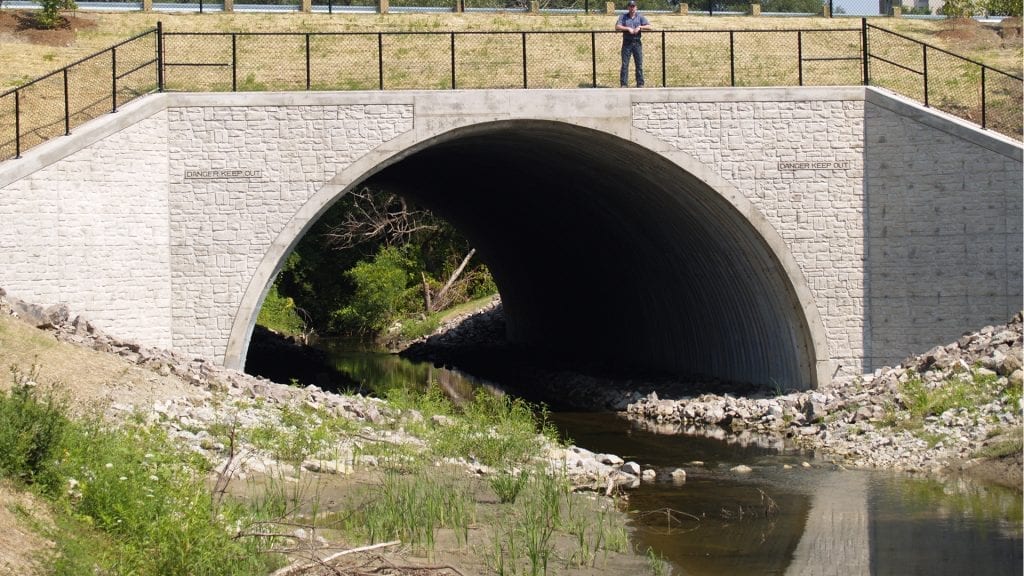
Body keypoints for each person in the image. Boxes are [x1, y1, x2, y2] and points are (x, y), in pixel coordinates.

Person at [615, 0, 651, 88]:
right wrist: (628, 28)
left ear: (636, 8)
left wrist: (640, 27)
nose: (632, 8)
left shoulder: (640, 17)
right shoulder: (623, 16)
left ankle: (640, 83)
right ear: (628, 8)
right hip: (627, 43)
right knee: (625, 64)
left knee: (639, 64)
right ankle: (624, 84)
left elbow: (650, 26)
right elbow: (617, 27)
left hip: (637, 43)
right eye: (630, 6)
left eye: (633, 6)